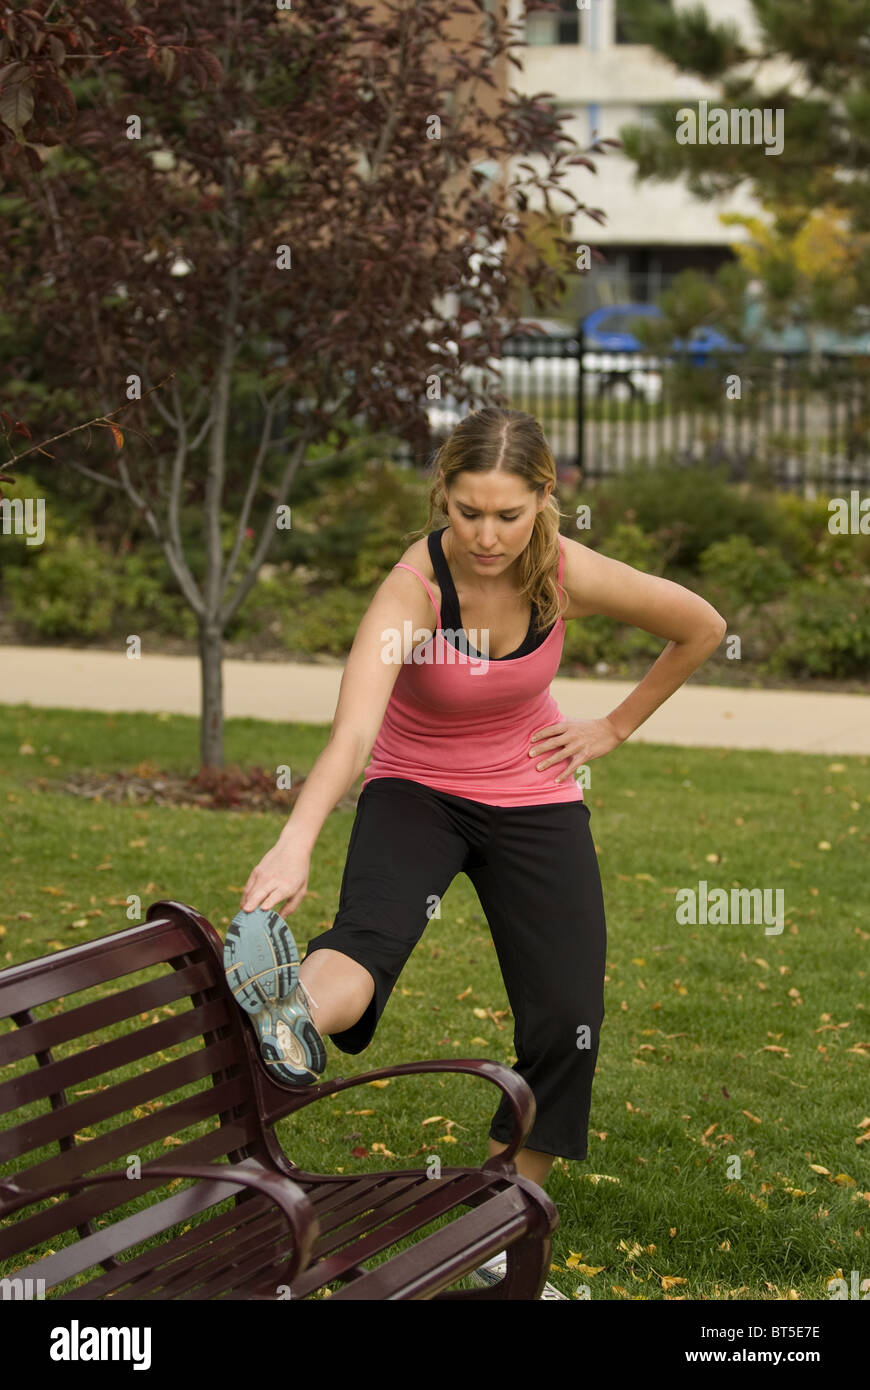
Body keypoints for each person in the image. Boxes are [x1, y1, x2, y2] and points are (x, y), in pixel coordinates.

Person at [224, 405, 726, 1295]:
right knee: (368, 942)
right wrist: (294, 840)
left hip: (533, 793)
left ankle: (500, 1216)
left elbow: (701, 625)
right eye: (466, 512)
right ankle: (284, 1009)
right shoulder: (410, 594)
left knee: (568, 1019)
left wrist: (612, 726)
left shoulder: (565, 572)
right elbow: (350, 736)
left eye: (507, 514)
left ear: (545, 499)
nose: (486, 536)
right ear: (441, 498)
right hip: (415, 789)